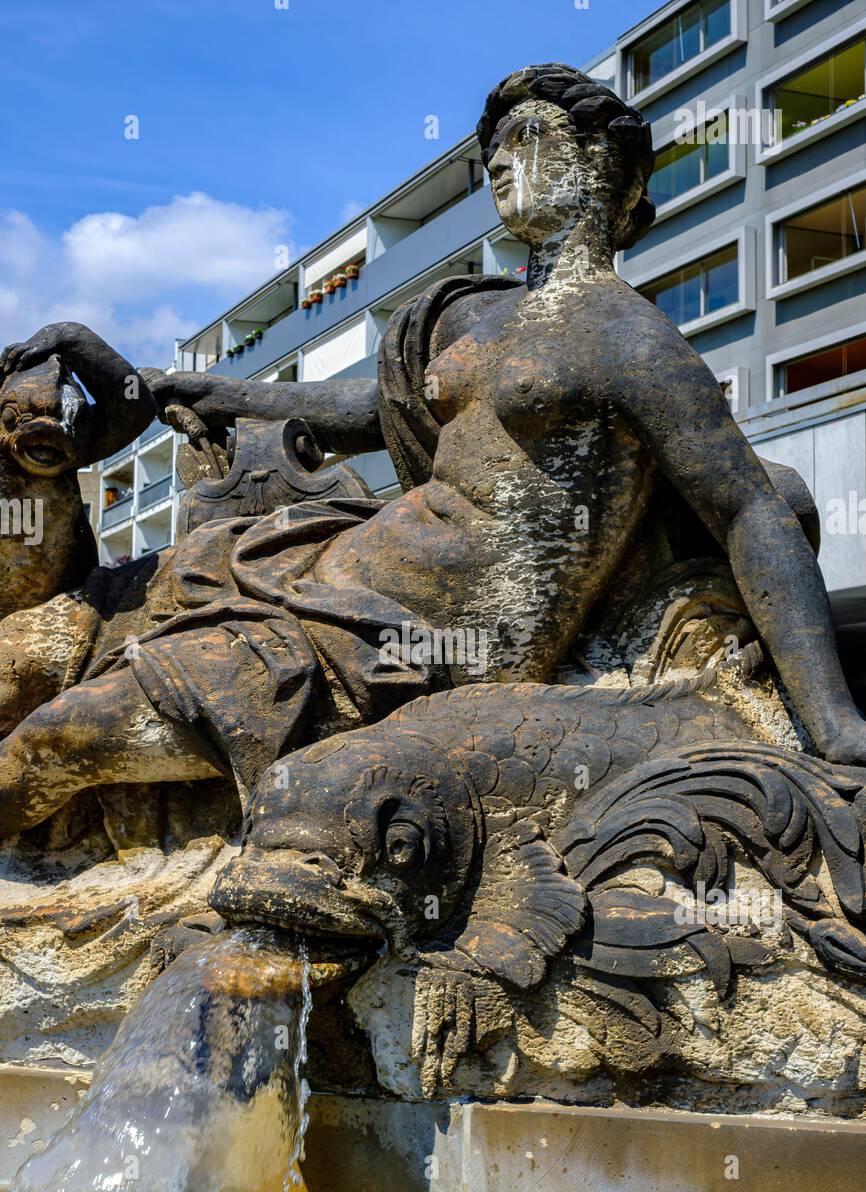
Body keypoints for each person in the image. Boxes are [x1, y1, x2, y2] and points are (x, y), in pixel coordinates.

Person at [1, 63, 864, 841]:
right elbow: (355, 410)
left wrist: (834, 724)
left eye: (526, 138)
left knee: (55, 740)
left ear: (610, 168)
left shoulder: (630, 338)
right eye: (490, 145)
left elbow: (751, 507)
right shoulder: (477, 318)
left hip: (419, 644)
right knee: (47, 662)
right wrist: (203, 390)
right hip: (322, 575)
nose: (497, 160)